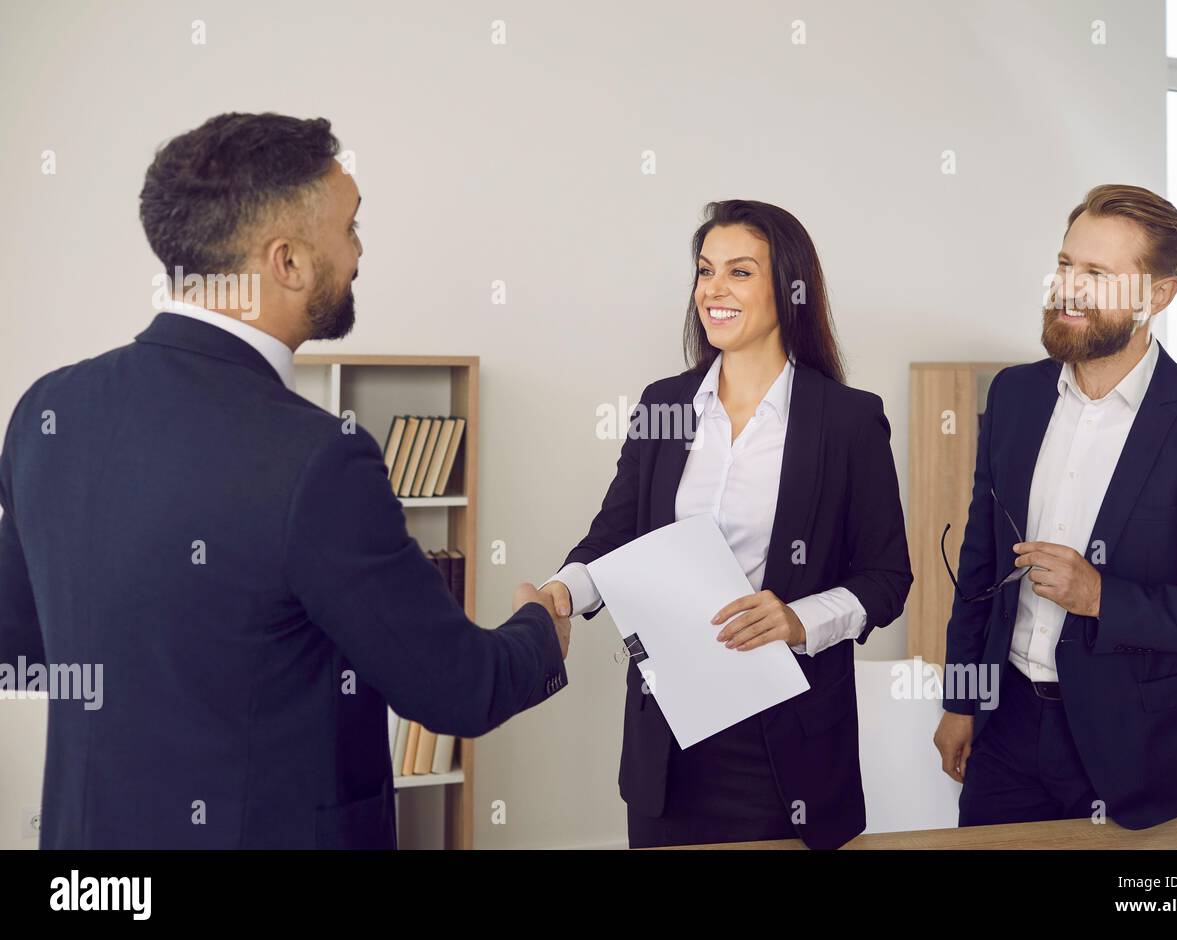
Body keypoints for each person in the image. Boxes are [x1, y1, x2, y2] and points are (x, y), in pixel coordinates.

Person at [0, 112, 570, 848]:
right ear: (289, 262)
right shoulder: (321, 459)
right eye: (352, 227)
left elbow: (20, 646)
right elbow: (458, 689)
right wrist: (543, 635)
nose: (360, 253)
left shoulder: (49, 408)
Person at [540, 200, 912, 849]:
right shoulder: (665, 405)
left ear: (789, 289)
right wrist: (562, 593)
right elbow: (615, 534)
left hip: (784, 744)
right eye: (706, 270)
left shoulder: (847, 420)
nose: (714, 289)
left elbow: (886, 577)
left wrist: (801, 620)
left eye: (740, 272)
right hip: (669, 743)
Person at [933, 184, 1177, 829]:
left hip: (1136, 751)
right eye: (1066, 265)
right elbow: (980, 561)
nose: (1068, 288)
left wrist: (1102, 596)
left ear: (1159, 295)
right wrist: (962, 699)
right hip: (1004, 730)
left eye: (1097, 274)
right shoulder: (1014, 396)